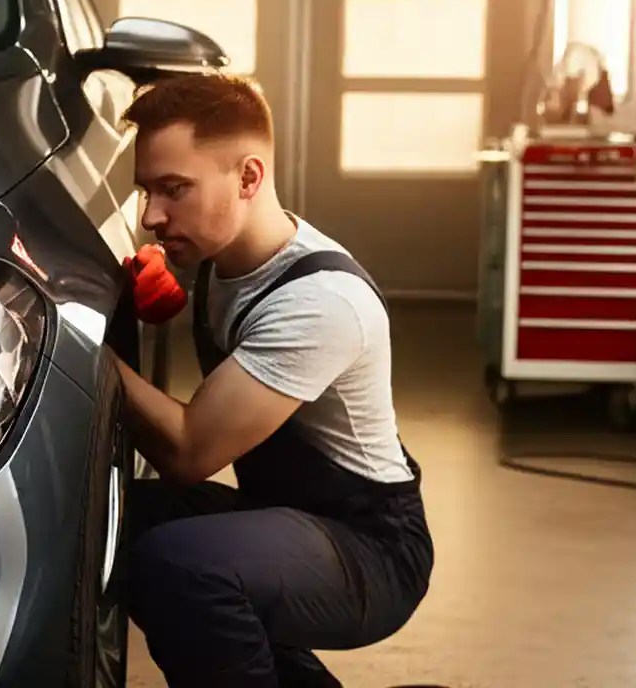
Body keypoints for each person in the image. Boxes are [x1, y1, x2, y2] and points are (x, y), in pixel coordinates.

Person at [112, 73, 434, 688]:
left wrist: (76, 346)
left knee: (183, 566)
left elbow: (188, 452)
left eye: (174, 190)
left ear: (249, 177)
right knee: (124, 518)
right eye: (146, 191)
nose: (152, 215)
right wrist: (151, 292)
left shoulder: (320, 302)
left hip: (371, 548)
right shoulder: (224, 254)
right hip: (289, 514)